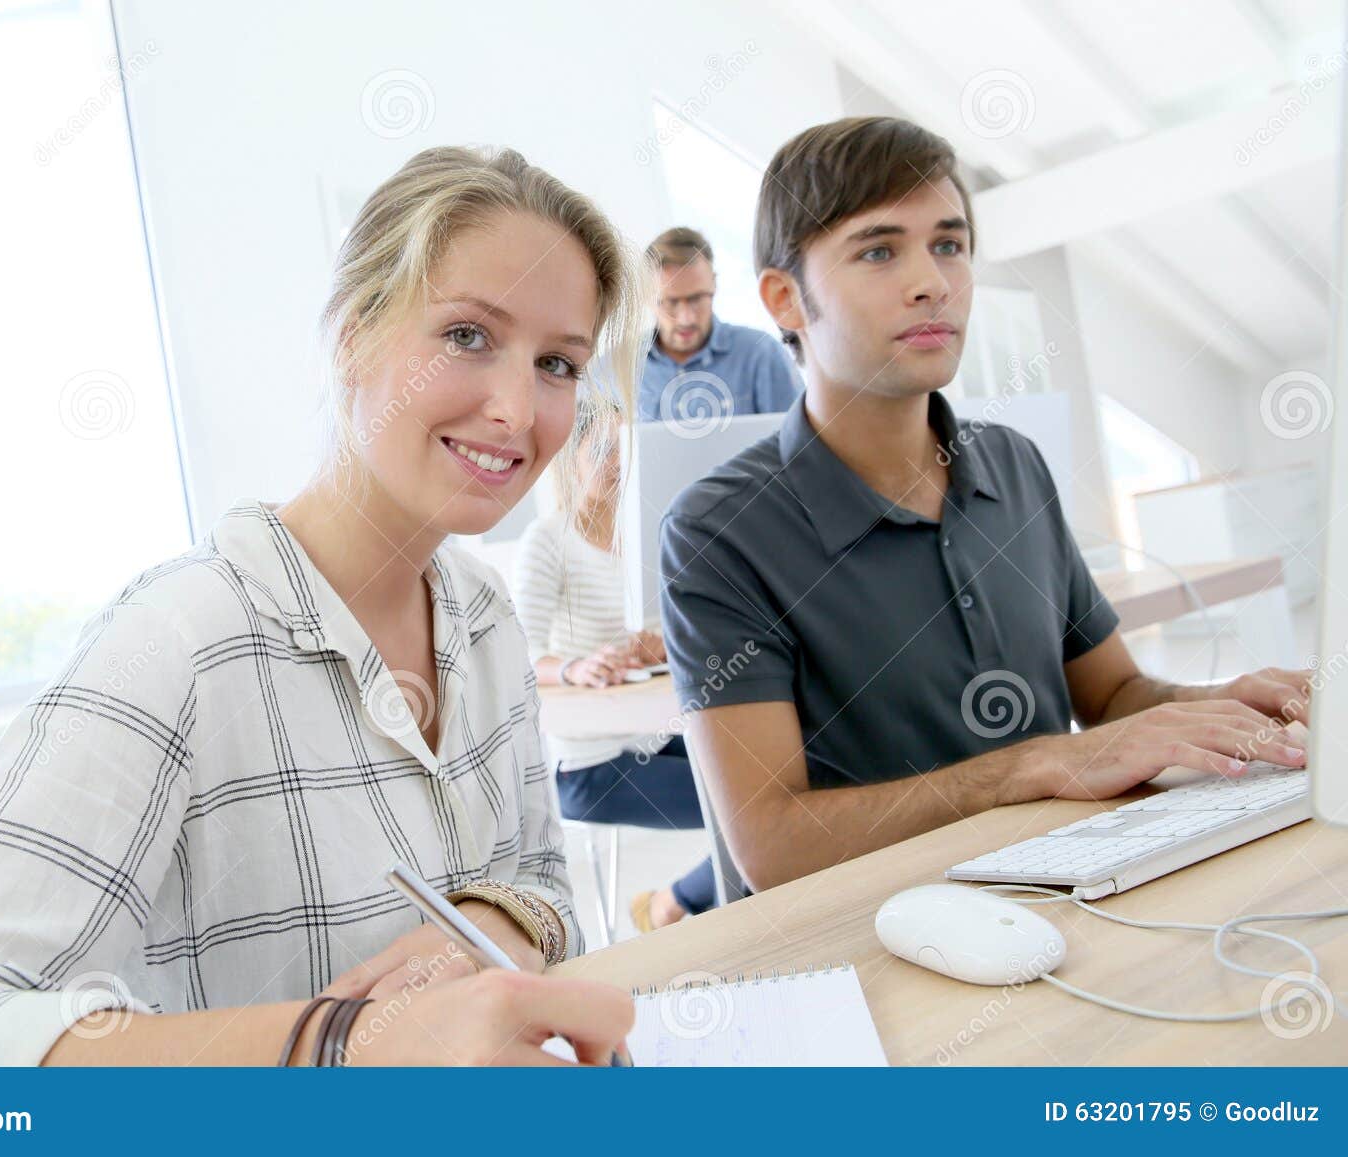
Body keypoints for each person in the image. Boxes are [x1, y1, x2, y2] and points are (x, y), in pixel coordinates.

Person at [0, 145, 648, 1067]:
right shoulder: (181, 640)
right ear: (353, 332)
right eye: (468, 336)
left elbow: (542, 877)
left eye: (559, 363)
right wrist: (345, 1046)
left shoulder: (483, 611)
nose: (519, 408)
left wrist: (496, 924)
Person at [659, 116, 1314, 895]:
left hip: (1070, 894)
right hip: (877, 939)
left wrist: (1218, 704)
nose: (932, 279)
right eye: (878, 250)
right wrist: (1032, 762)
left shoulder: (1013, 463)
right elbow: (769, 844)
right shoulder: (718, 530)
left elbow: (1110, 696)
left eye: (949, 243)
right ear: (784, 299)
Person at [512, 394, 713, 933]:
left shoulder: (643, 534)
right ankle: (670, 905)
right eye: (600, 448)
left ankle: (671, 902)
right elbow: (518, 656)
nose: (615, 461)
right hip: (591, 767)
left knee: (761, 780)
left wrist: (660, 645)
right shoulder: (548, 540)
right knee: (741, 812)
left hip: (647, 736)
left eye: (622, 447)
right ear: (572, 456)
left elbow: (673, 629)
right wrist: (575, 668)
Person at [637, 226, 801, 423]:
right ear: (646, 294)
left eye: (697, 298)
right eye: (670, 302)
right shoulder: (612, 373)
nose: (686, 319)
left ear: (714, 284)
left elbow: (800, 446)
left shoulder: (762, 354)